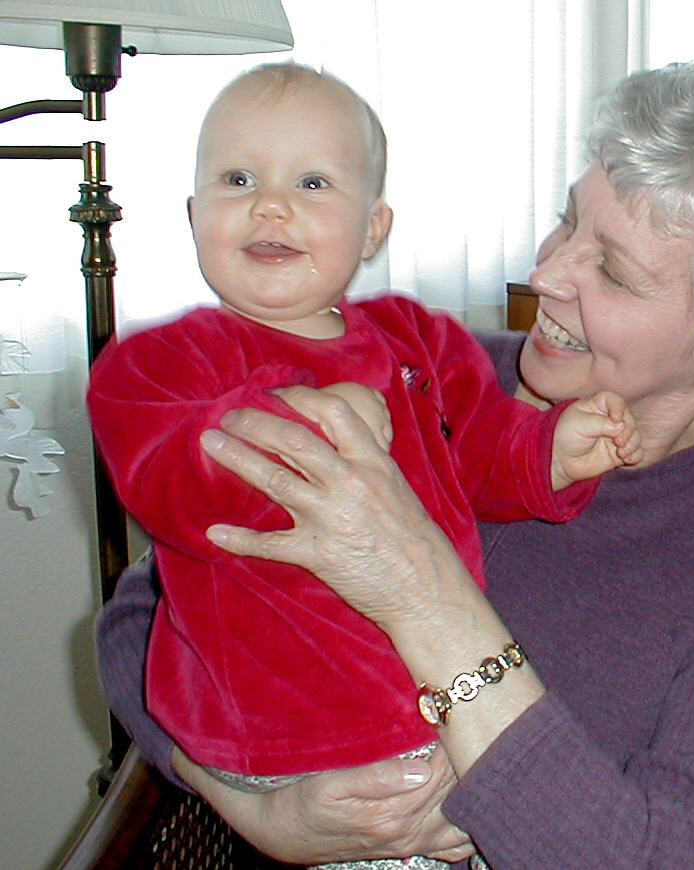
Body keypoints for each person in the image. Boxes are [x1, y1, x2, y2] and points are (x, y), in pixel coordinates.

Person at [96, 59, 694, 868]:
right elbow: (143, 615)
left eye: (614, 273)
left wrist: (425, 600)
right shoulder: (420, 376)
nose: (546, 275)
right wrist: (250, 803)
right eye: (567, 224)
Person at [87, 62, 641, 868]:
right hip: (289, 731)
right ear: (192, 212)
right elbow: (172, 490)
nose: (269, 205)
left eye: (312, 182)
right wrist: (297, 418)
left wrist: (550, 449)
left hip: (432, 707)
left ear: (373, 227)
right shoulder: (155, 365)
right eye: (237, 178)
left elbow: (480, 455)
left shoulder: (418, 338)